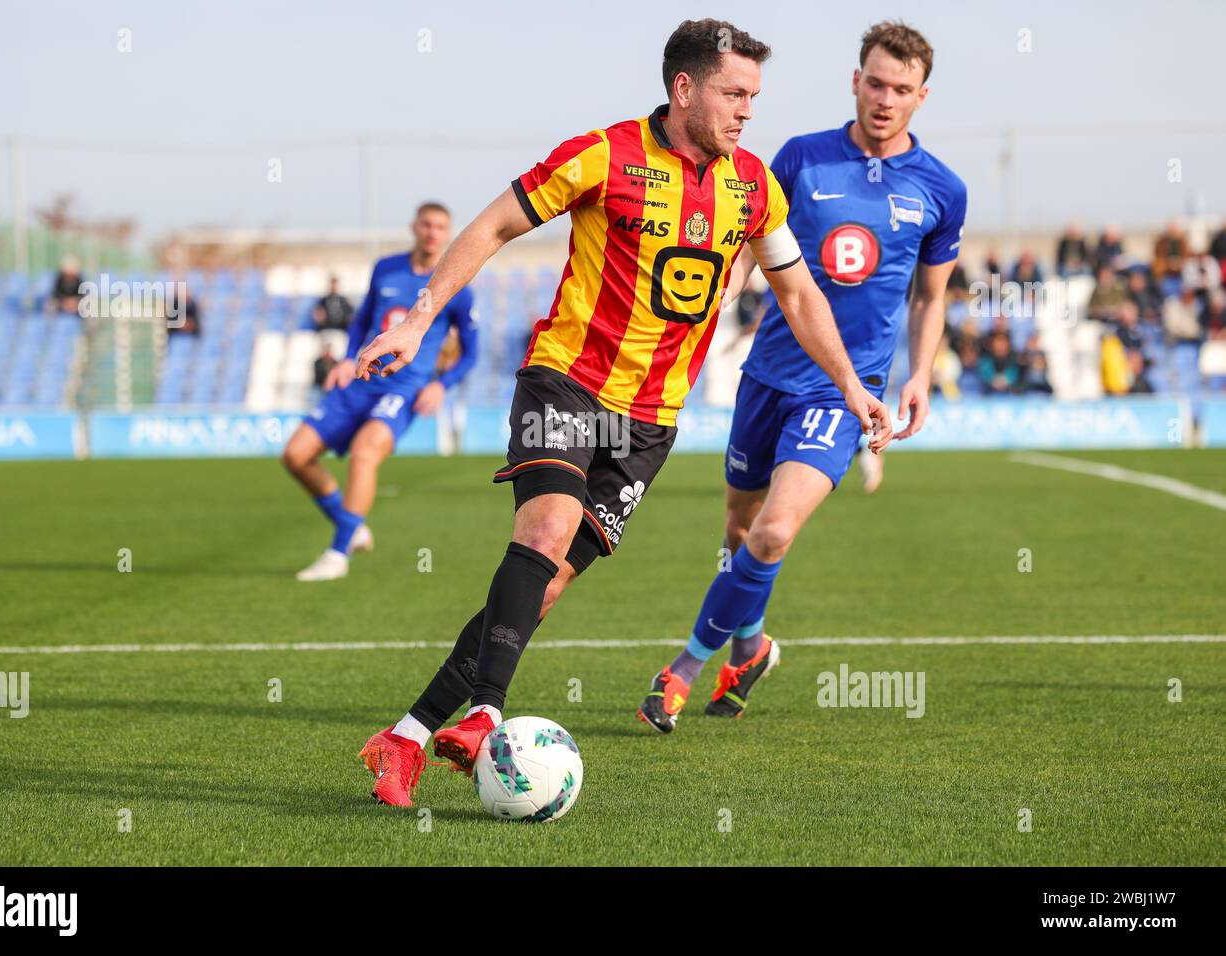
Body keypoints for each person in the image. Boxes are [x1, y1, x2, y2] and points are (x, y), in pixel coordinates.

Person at [350, 18, 892, 806]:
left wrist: (849, 384)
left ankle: (403, 737)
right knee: (544, 527)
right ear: (684, 88)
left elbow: (798, 292)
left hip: (649, 422)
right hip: (566, 381)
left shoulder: (753, 186)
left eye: (754, 97)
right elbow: (497, 222)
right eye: (733, 93)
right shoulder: (604, 155)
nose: (747, 111)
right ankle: (484, 716)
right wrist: (420, 315)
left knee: (542, 588)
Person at [637, 20, 964, 731]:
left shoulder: (942, 189)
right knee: (739, 527)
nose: (885, 98)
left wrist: (920, 377)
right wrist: (724, 293)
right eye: (875, 82)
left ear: (921, 96)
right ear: (856, 80)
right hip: (768, 375)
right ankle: (752, 646)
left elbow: (932, 296)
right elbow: (752, 236)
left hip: (843, 389)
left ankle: (684, 668)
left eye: (901, 89)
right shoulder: (801, 159)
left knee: (776, 532)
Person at [281, 202, 477, 582]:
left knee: (364, 452)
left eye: (440, 227)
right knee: (295, 455)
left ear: (447, 233)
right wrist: (347, 357)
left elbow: (472, 353)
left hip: (404, 388)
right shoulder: (386, 269)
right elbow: (362, 321)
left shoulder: (455, 285)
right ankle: (351, 524)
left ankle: (337, 554)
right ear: (414, 227)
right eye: (427, 224)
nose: (432, 232)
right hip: (360, 378)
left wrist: (441, 384)